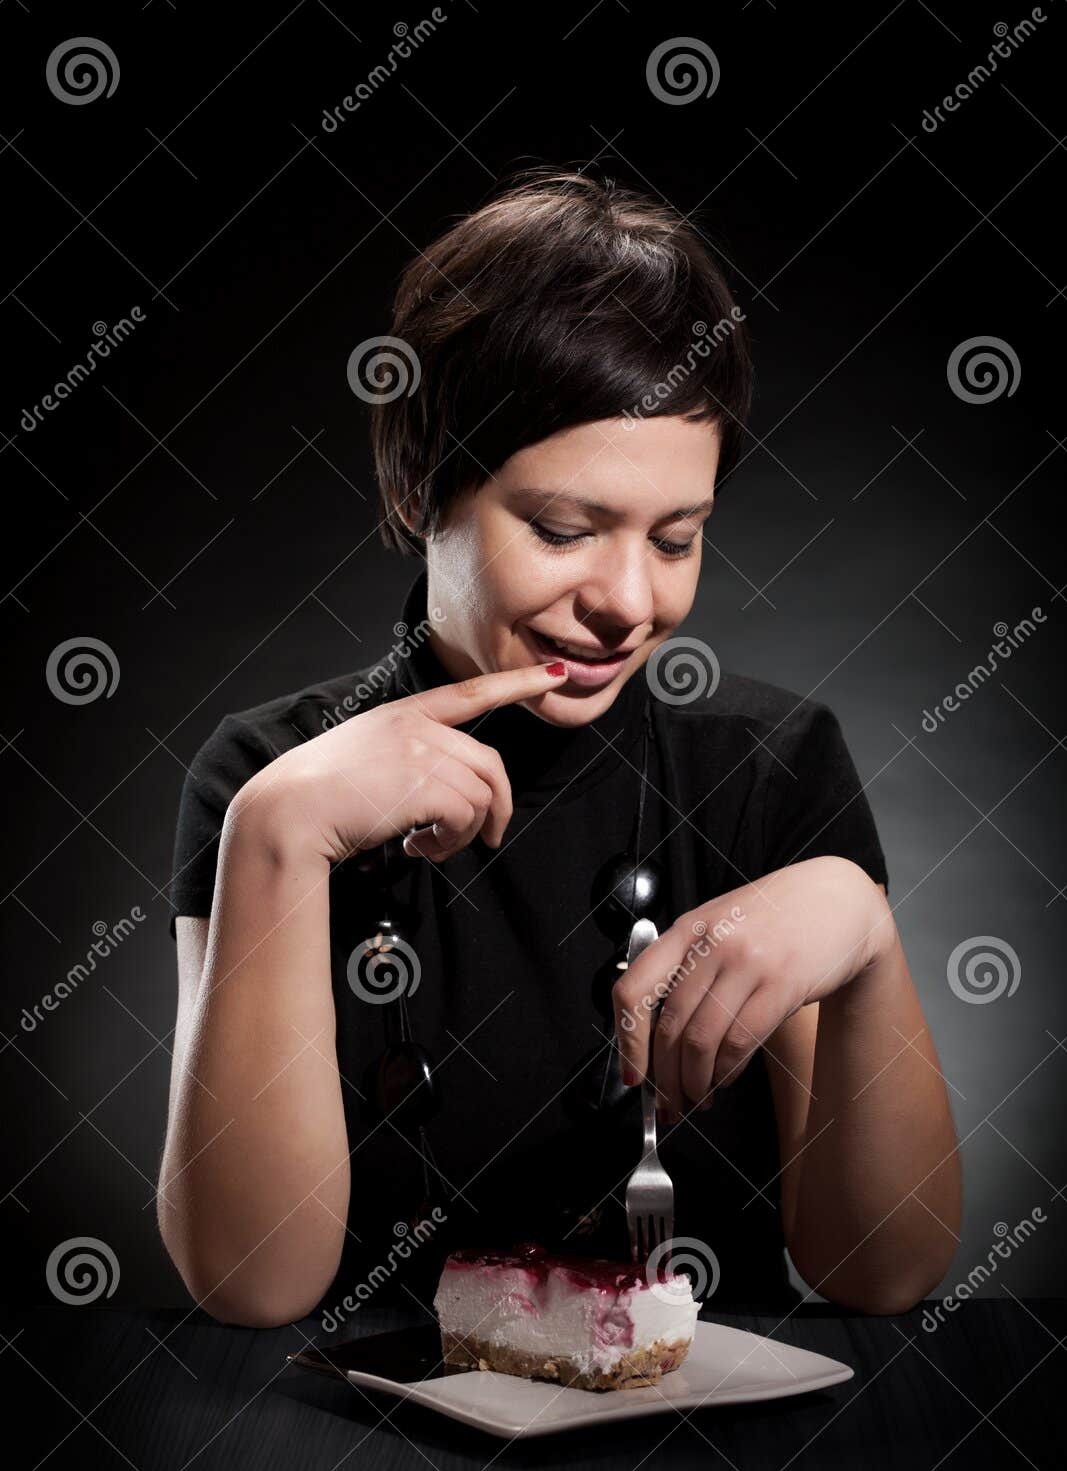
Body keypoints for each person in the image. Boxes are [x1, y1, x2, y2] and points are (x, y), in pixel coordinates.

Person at [160, 169, 960, 1327]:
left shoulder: (767, 769)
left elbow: (881, 1270)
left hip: (702, 1421)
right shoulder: (265, 779)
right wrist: (276, 842)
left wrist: (865, 939)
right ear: (420, 487)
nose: (627, 602)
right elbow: (250, 1283)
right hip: (363, 1424)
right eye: (561, 529)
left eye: (674, 539)